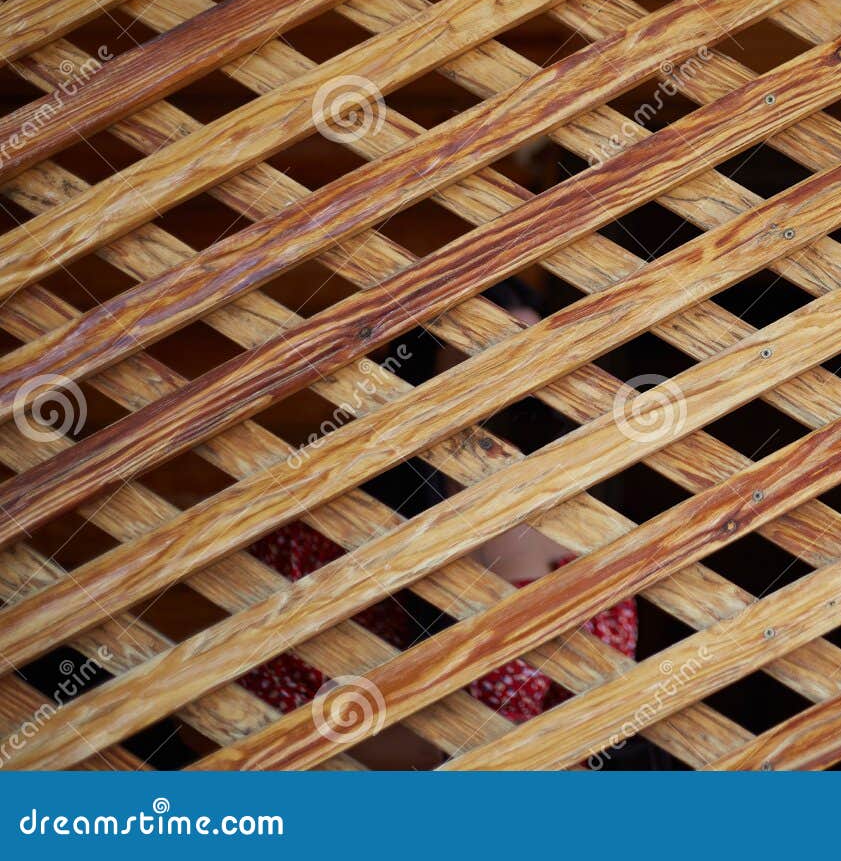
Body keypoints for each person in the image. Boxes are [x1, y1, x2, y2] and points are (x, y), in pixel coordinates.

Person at [237, 279, 638, 746]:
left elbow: (593, 735)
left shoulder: (585, 546)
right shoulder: (323, 535)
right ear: (419, 382)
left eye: (528, 376)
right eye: (479, 369)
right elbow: (265, 720)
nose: (507, 401)